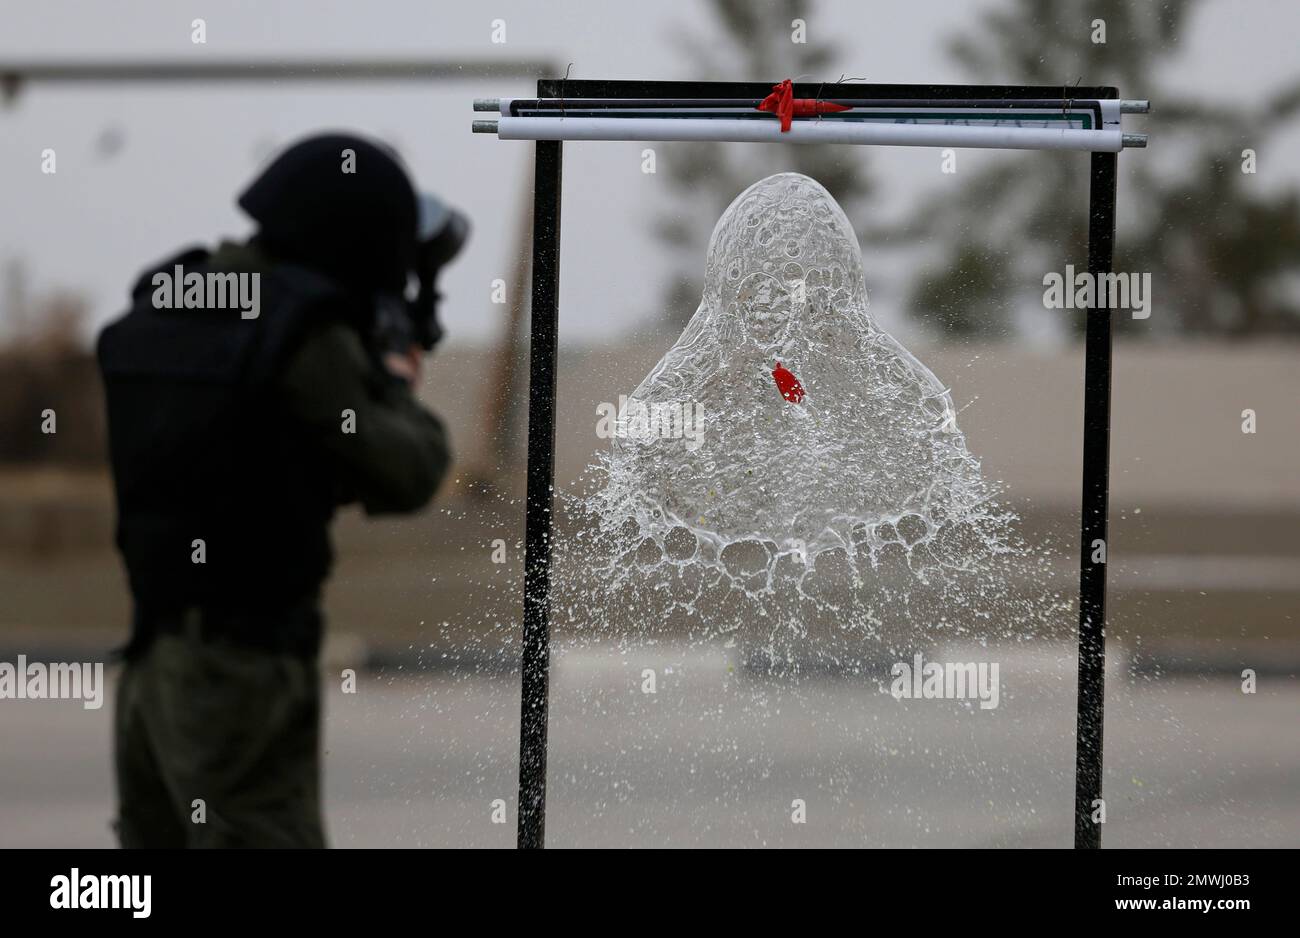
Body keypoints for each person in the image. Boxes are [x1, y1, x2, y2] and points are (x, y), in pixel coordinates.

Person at [96, 132, 467, 848]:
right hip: (240, 676)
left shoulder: (179, 298)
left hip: (150, 663)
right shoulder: (299, 336)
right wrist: (391, 382)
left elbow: (238, 450)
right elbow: (409, 471)